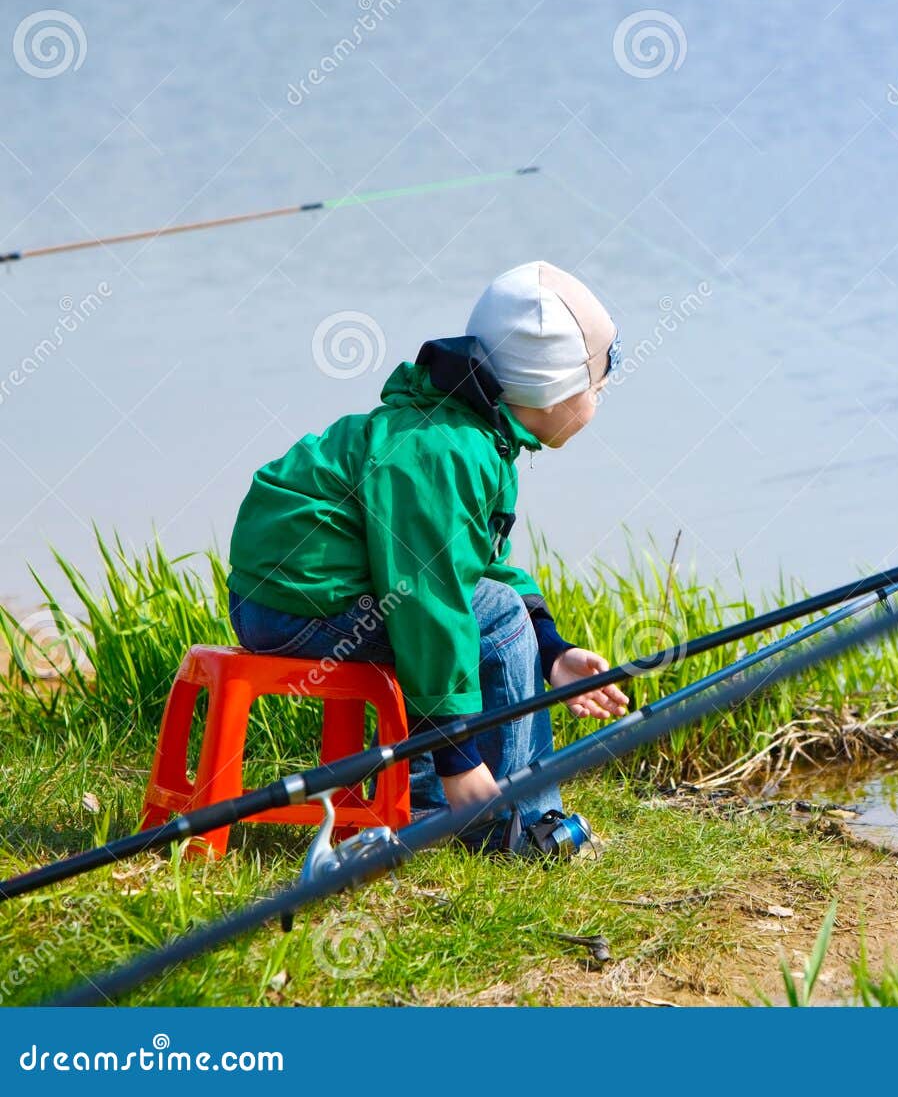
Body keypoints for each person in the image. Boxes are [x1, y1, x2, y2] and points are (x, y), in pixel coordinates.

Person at [225, 261, 629, 855]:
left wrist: (553, 651)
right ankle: (511, 819)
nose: (600, 392)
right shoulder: (447, 452)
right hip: (299, 607)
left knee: (500, 610)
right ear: (551, 385)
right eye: (598, 378)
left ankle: (433, 803)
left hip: (297, 599)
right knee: (493, 616)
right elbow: (428, 604)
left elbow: (478, 565)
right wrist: (458, 757)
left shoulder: (474, 436)